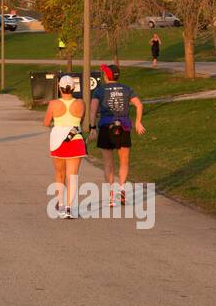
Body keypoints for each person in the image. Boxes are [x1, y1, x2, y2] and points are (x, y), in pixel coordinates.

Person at [90, 66, 145, 205]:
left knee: (108, 163)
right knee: (124, 162)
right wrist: (138, 122)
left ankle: (111, 195)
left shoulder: (100, 90)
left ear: (106, 76)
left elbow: (93, 110)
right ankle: (121, 190)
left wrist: (92, 128)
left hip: (106, 127)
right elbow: (139, 104)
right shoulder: (127, 89)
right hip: (124, 127)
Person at [44, 75, 86, 218]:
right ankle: (70, 208)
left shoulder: (53, 104)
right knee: (72, 176)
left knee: (59, 173)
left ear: (59, 87)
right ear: (74, 88)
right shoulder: (80, 103)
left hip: (58, 141)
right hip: (75, 139)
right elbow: (81, 121)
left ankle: (60, 205)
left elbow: (46, 122)